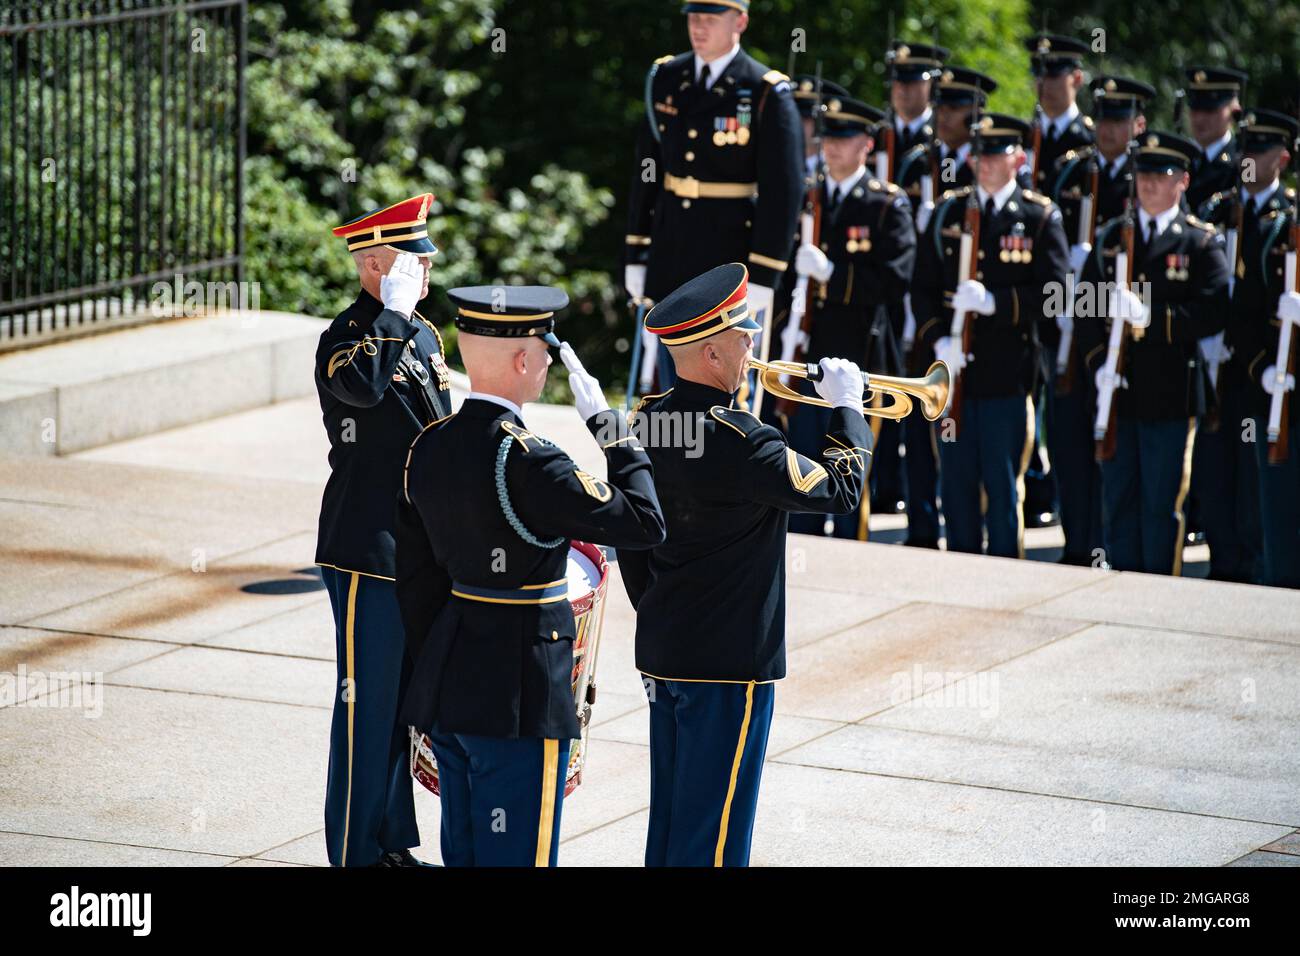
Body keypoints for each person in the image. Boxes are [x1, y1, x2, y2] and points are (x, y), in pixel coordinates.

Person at [396, 287, 665, 866]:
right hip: (520, 692)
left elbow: (415, 578)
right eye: (544, 351)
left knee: (464, 850)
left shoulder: (430, 446)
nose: (547, 363)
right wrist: (613, 432)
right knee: (518, 854)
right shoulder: (533, 460)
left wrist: (436, 663)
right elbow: (644, 522)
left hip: (450, 678)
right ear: (523, 360)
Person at [619, 262, 869, 866]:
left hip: (665, 648)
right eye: (741, 335)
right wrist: (849, 408)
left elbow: (631, 539)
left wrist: (659, 606)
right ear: (709, 353)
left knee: (675, 822)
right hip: (730, 664)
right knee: (716, 835)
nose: (752, 343)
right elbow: (840, 490)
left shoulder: (642, 425)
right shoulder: (743, 440)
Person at [315, 192, 452, 867]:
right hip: (366, 549)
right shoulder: (347, 335)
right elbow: (362, 390)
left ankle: (389, 843)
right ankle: (352, 853)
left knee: (400, 709)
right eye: (410, 261)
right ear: (375, 265)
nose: (426, 271)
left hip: (417, 549)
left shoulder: (422, 334)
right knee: (364, 713)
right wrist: (392, 313)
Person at [624, 0, 802, 390]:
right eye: (693, 17)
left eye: (709, 19)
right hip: (671, 246)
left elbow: (783, 190)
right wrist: (637, 250)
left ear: (740, 20)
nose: (698, 27)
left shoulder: (764, 90)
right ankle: (667, 451)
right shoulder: (667, 76)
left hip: (728, 253)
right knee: (667, 377)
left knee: (724, 376)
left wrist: (765, 273)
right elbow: (647, 169)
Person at [913, 114, 1069, 558]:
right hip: (953, 378)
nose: (984, 162)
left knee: (1002, 488)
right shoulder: (948, 210)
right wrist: (938, 340)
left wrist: (997, 303)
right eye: (979, 152)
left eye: (995, 153)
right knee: (956, 485)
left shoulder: (1039, 217)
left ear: (1018, 158)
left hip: (1007, 374)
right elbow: (920, 289)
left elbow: (1055, 296)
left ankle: (1004, 580)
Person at [1076, 131, 1231, 575]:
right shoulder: (1111, 238)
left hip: (1169, 392)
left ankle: (1159, 592)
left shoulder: (1198, 242)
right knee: (1118, 498)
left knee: (1160, 503)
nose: (1148, 184)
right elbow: (1085, 311)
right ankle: (1121, 589)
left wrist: (1150, 316)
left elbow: (1214, 310)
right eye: (1142, 174)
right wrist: (1099, 365)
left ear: (1182, 181)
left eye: (1159, 176)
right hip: (1119, 391)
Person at [785, 95, 915, 538]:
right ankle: (801, 540)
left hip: (861, 350)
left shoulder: (885, 204)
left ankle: (847, 548)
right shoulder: (809, 194)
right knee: (802, 458)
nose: (833, 148)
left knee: (848, 458)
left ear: (866, 145)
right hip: (809, 350)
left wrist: (834, 275)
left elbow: (895, 280)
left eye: (845, 139)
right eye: (829, 138)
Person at [1046, 75, 1155, 566]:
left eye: (1119, 119)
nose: (1108, 129)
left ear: (1138, 123)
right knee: (1070, 440)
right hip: (1074, 317)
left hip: (1128, 324)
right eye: (1103, 117)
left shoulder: (1149, 176)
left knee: (1113, 446)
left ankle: (1110, 542)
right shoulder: (1071, 174)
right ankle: (1077, 541)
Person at [897, 65, 997, 549]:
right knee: (919, 420)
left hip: (975, 324)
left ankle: (969, 531)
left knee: (971, 433)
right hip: (923, 308)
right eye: (940, 104)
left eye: (954, 108)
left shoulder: (986, 171)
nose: (941, 115)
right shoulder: (920, 161)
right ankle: (920, 527)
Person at [1205, 109, 1299, 587]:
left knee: (1262, 478)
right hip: (1220, 363)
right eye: (1244, 147)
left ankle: (1262, 567)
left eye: (1259, 150)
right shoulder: (1218, 208)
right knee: (1217, 469)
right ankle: (1226, 562)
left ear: (1281, 158)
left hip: (1264, 371)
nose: (1248, 158)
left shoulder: (1285, 219)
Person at [1181, 67, 1249, 213]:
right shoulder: (1180, 156)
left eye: (1210, 111)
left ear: (1234, 111)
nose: (1200, 119)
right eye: (1195, 109)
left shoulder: (1246, 160)